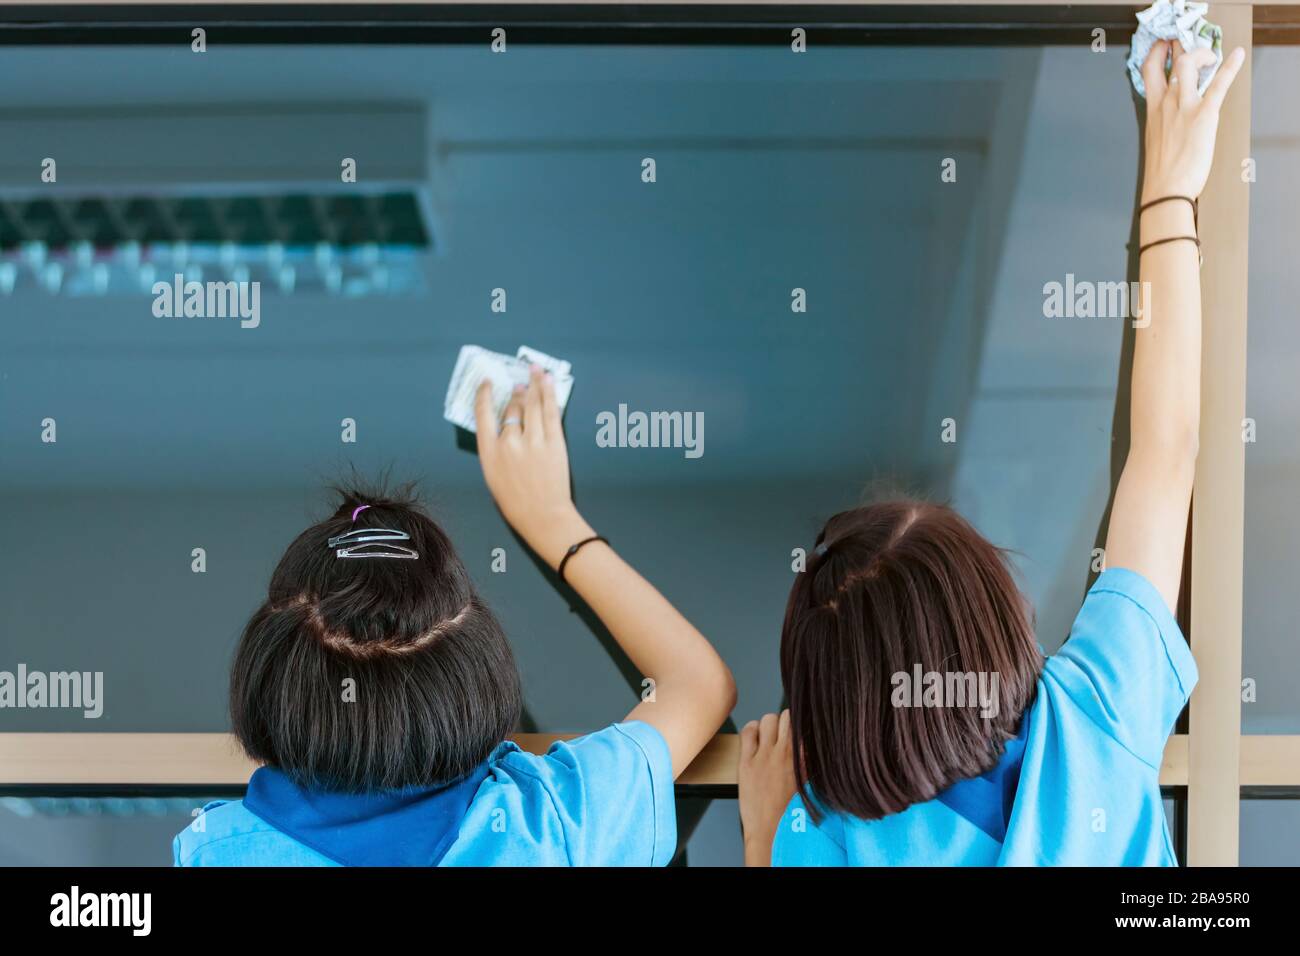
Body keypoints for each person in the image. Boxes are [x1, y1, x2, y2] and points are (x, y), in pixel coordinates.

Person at [737, 38, 1245, 866]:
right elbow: (1165, 451)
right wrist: (1171, 188)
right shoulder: (1092, 723)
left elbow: (1167, 453)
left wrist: (764, 832)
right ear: (997, 625)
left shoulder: (829, 841)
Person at [174, 368, 735, 866]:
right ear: (485, 691)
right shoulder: (553, 831)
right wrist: (552, 522)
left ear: (265, 697)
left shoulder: (214, 851)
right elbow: (697, 685)